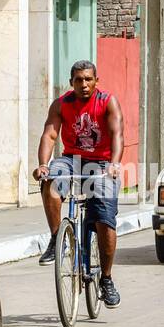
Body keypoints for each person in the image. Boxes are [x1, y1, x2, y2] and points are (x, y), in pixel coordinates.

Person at [33, 60, 123, 307]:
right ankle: (55, 238)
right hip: (71, 160)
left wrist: (115, 163)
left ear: (96, 80)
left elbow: (117, 134)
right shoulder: (62, 104)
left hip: (103, 163)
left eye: (88, 79)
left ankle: (106, 279)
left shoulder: (107, 101)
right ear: (71, 82)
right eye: (78, 80)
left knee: (104, 221)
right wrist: (43, 164)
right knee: (50, 178)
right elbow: (50, 134)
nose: (84, 84)